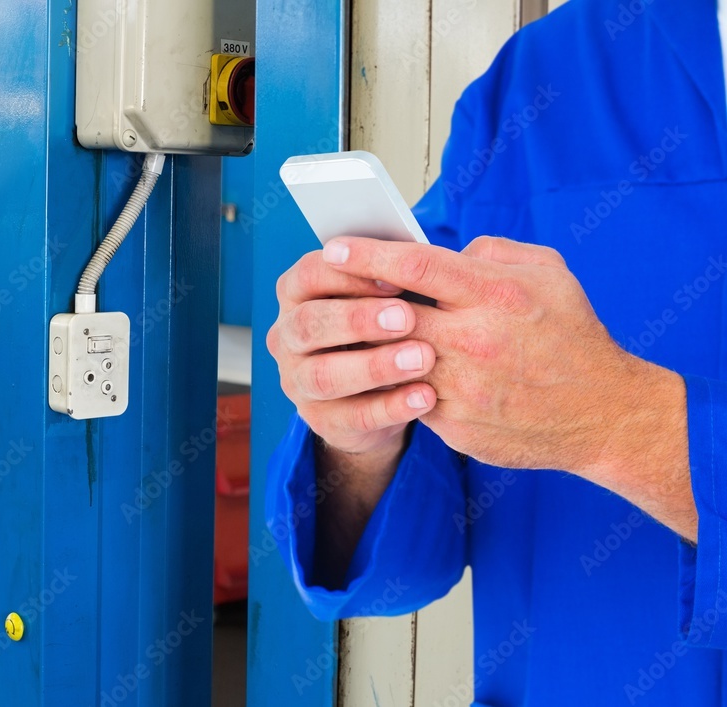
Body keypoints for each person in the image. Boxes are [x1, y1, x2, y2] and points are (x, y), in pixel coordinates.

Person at [265, 0, 727, 703]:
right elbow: (411, 543)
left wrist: (625, 425)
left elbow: (610, 416)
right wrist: (362, 432)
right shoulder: (543, 77)